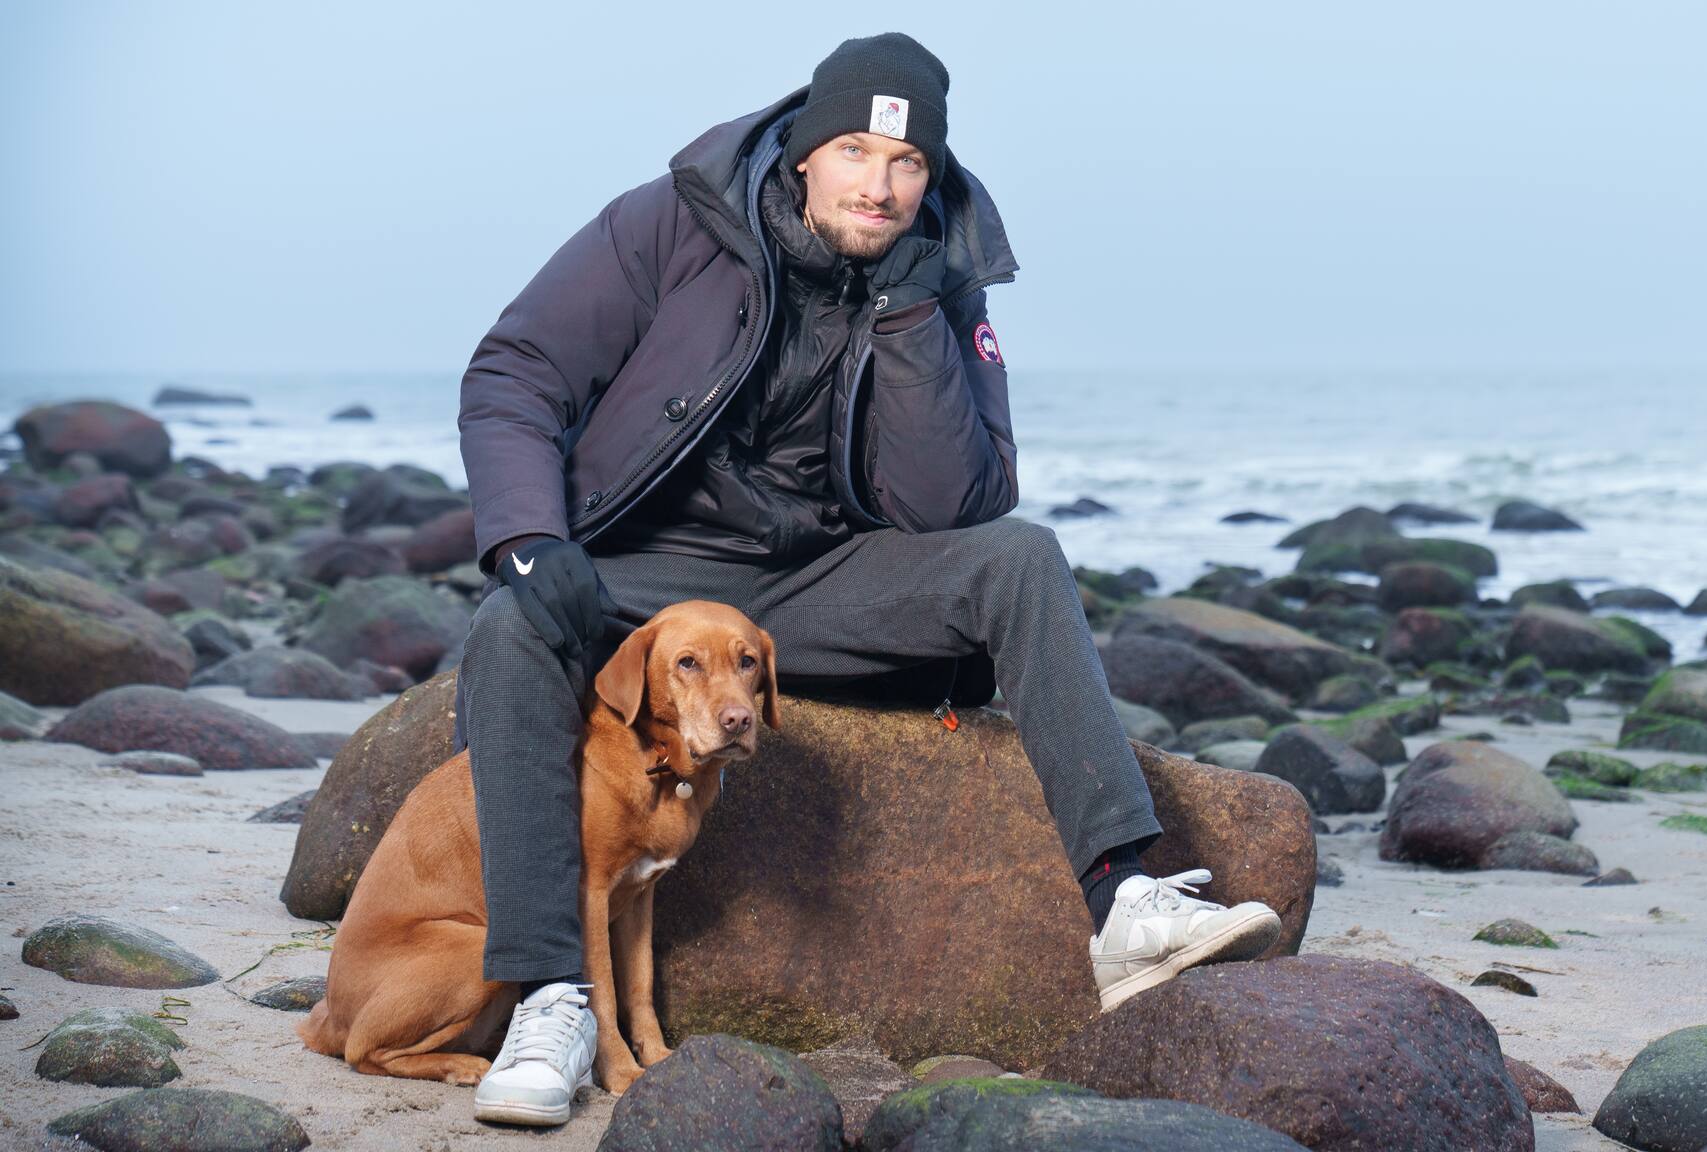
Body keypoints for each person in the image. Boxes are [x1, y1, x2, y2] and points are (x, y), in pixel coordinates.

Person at [451, 31, 1280, 1126]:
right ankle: (551, 996)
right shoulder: (670, 219)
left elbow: (958, 505)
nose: (880, 186)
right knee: (511, 631)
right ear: (804, 153)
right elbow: (516, 368)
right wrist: (527, 538)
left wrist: (908, 314)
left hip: (814, 582)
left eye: (907, 165)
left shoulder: (940, 276)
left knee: (1020, 557)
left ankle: (1122, 896)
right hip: (648, 568)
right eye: (854, 152)